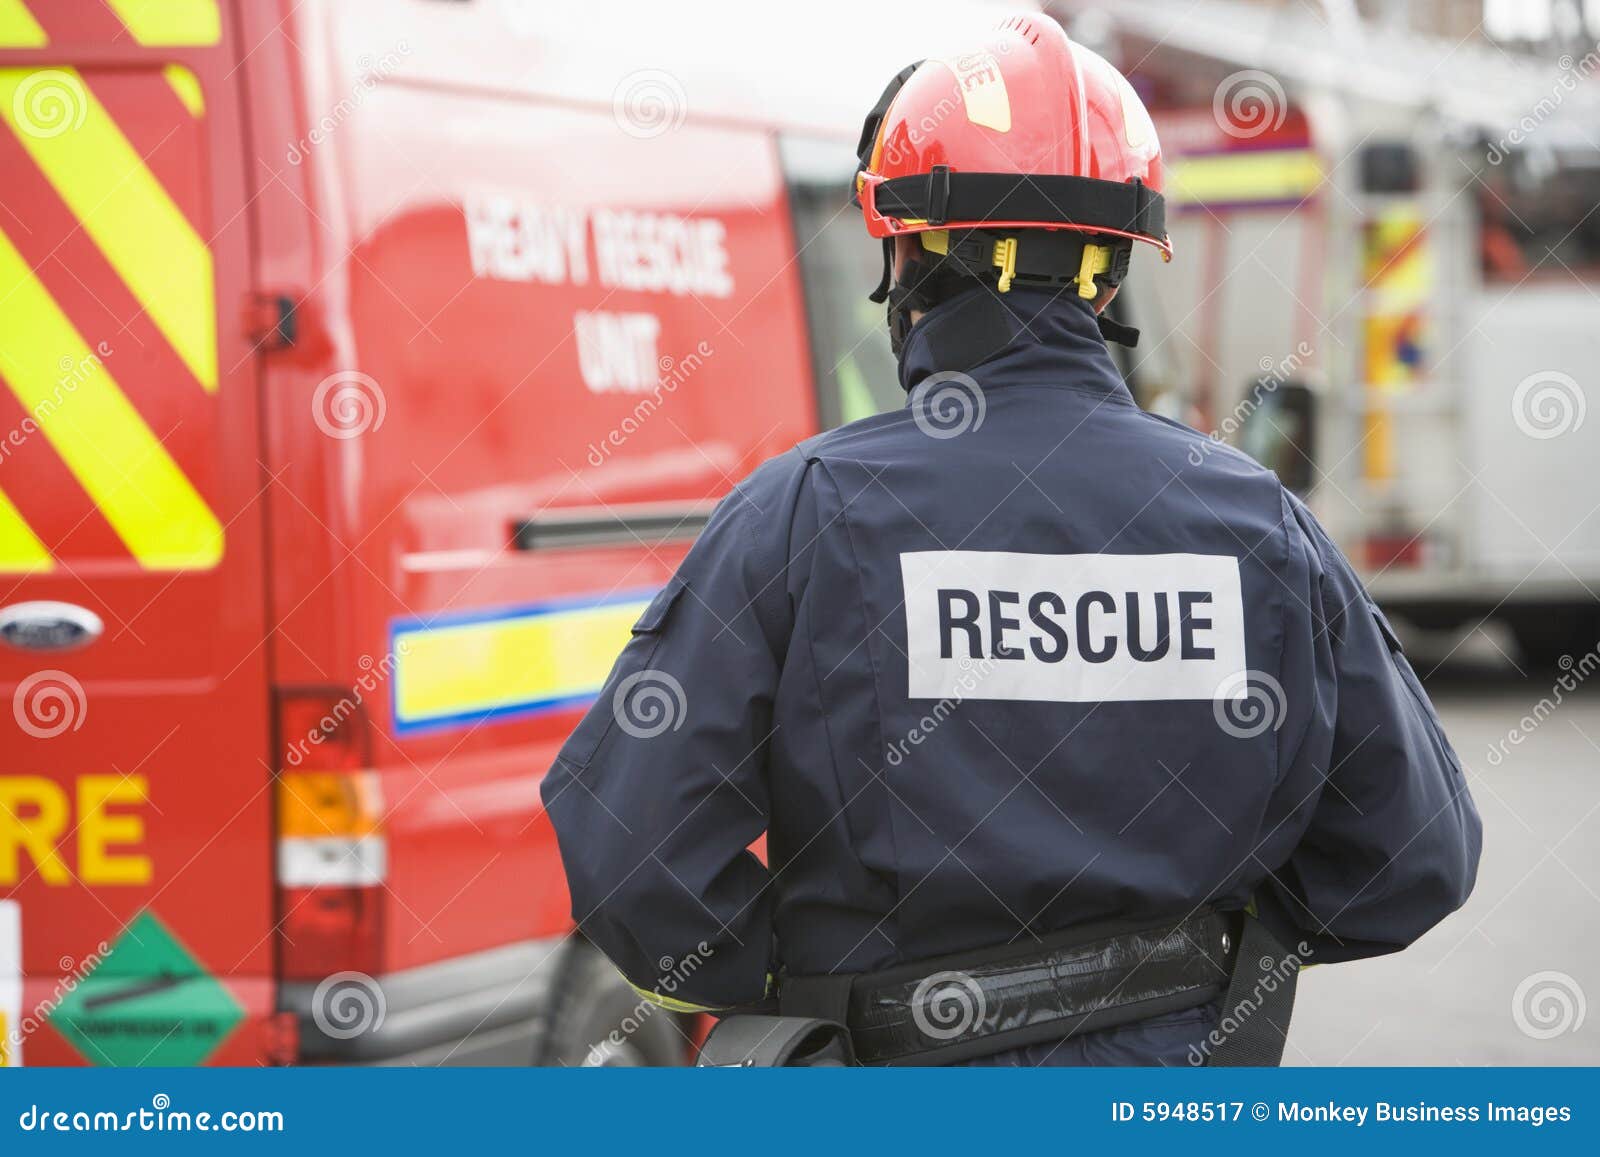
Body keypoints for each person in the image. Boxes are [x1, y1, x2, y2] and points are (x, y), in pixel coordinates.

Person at [540, 14, 1481, 1066]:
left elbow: (631, 849)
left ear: (904, 258)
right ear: (1114, 268)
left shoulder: (802, 512)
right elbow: (1411, 854)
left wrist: (795, 989)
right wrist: (1202, 973)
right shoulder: (1258, 525)